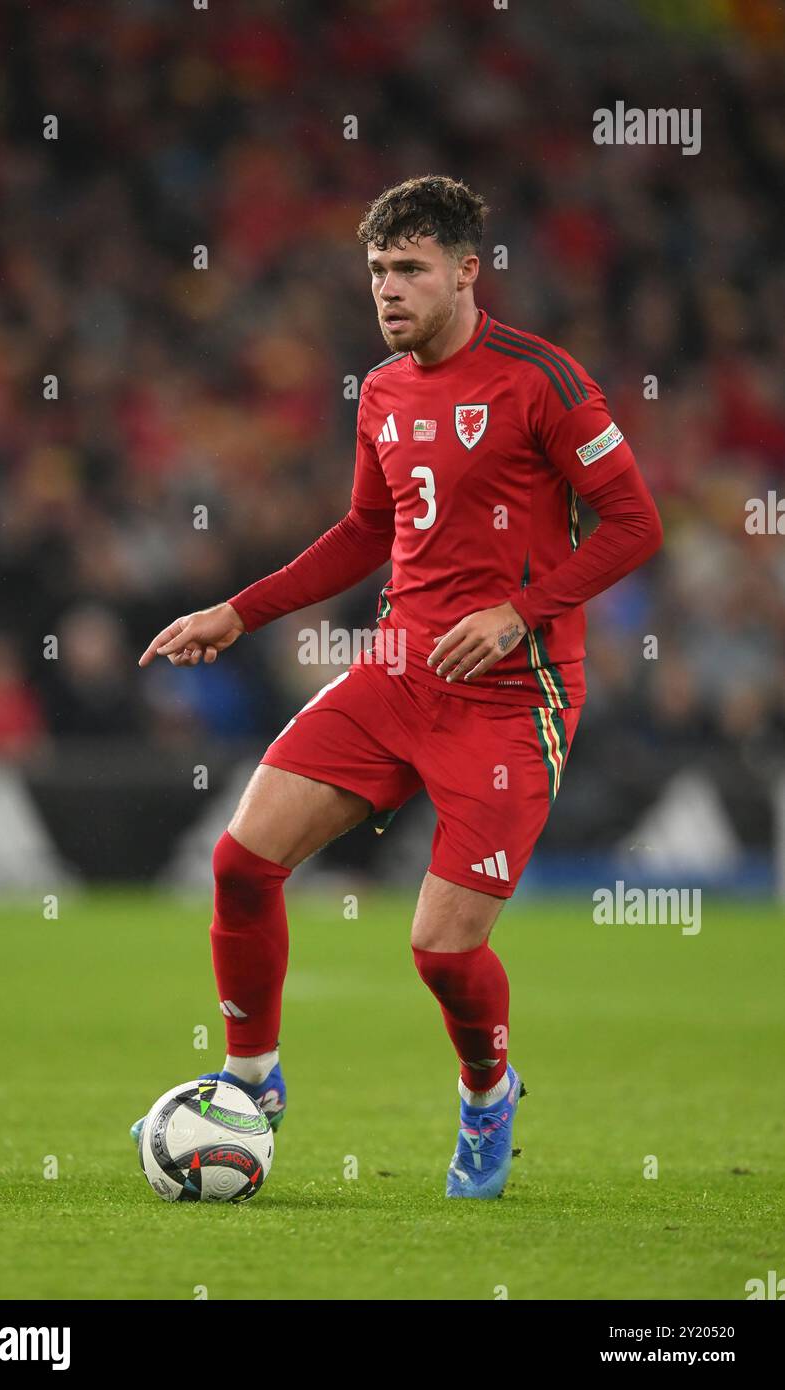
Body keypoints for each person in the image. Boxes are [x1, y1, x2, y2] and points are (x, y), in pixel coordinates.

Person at [134, 175, 663, 1199]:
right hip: (393, 673)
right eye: (377, 268)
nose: (387, 287)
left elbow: (634, 522)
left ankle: (486, 1092)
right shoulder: (379, 390)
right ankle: (252, 1079)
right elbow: (366, 533)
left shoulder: (542, 380)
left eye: (409, 268)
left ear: (466, 274)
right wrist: (237, 612)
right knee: (241, 861)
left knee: (439, 953)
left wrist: (520, 610)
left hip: (514, 698)